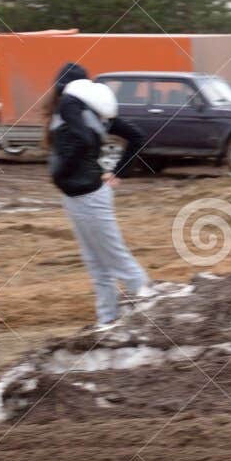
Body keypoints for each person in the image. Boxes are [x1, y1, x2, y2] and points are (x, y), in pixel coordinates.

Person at [45, 63, 152, 331]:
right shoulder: (94, 114)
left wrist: (61, 173)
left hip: (88, 196)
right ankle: (107, 319)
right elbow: (137, 137)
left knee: (117, 259)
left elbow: (83, 142)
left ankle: (150, 310)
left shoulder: (72, 109)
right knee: (97, 263)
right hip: (81, 197)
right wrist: (116, 173)